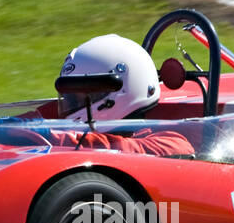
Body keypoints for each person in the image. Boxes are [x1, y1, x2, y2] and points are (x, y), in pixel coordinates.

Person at [49, 34, 194, 157]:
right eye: (71, 98)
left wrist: (52, 136)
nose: (74, 104)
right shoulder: (71, 137)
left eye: (86, 96)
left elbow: (120, 148)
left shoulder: (170, 143)